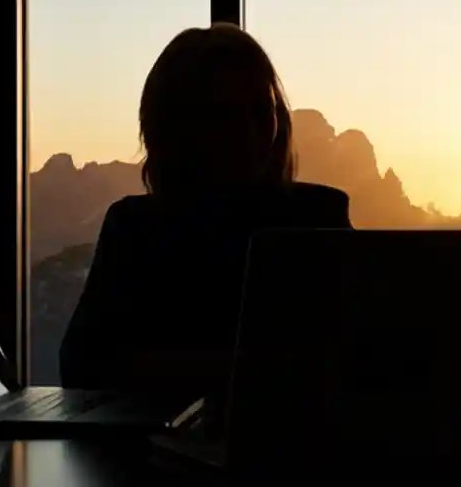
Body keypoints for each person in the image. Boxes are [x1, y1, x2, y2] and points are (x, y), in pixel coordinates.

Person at [58, 24, 352, 401]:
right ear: (176, 128)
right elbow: (82, 366)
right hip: (151, 454)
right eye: (223, 115)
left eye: (260, 111)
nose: (248, 131)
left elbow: (366, 352)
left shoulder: (319, 219)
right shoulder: (134, 229)